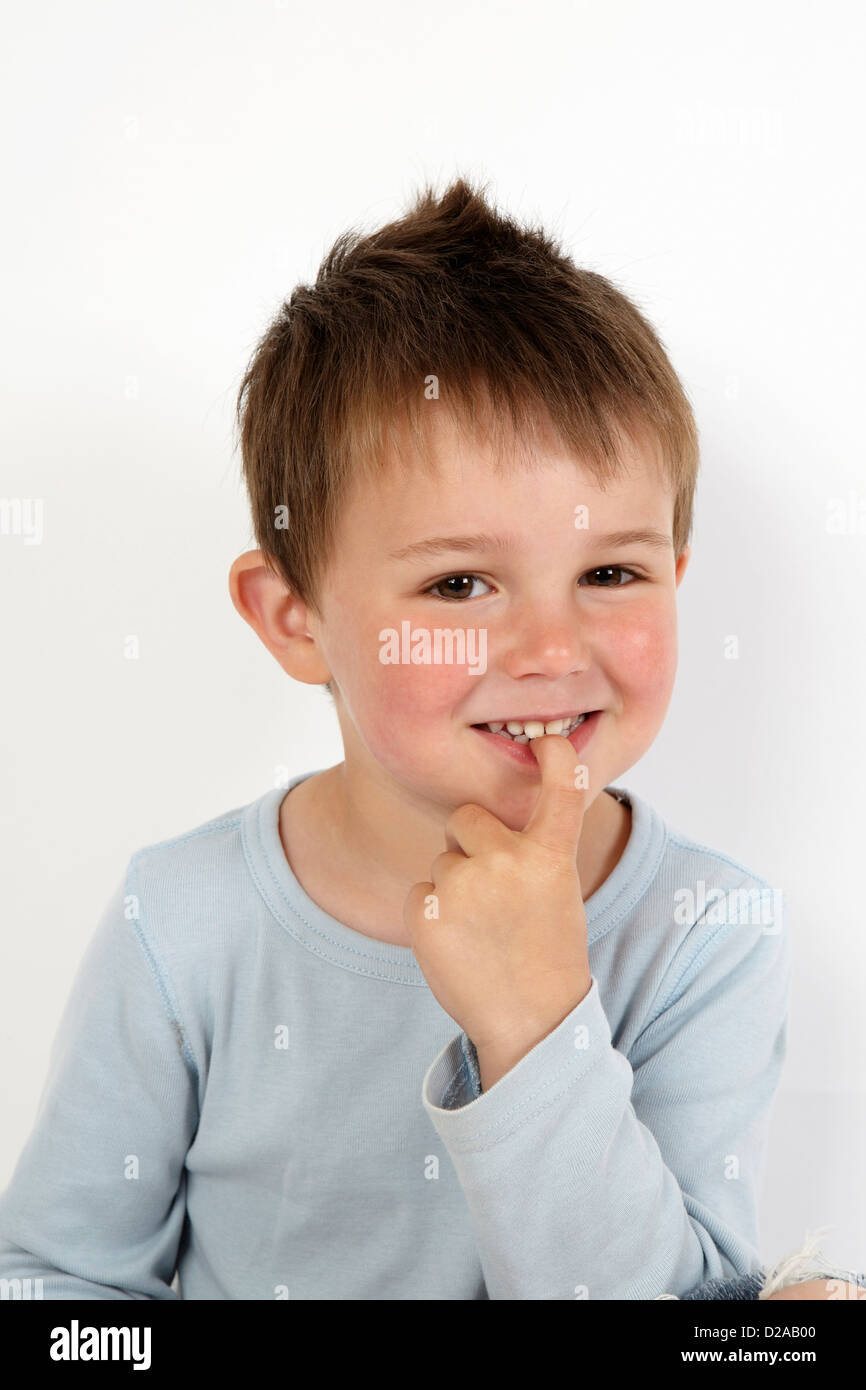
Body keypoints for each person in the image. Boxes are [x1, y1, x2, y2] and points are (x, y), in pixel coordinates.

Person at [1, 177, 860, 1301]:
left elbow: (689, 1327)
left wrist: (535, 1017)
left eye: (611, 572)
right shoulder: (180, 919)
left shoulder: (704, 934)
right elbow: (55, 1284)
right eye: (459, 583)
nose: (553, 647)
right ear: (293, 617)